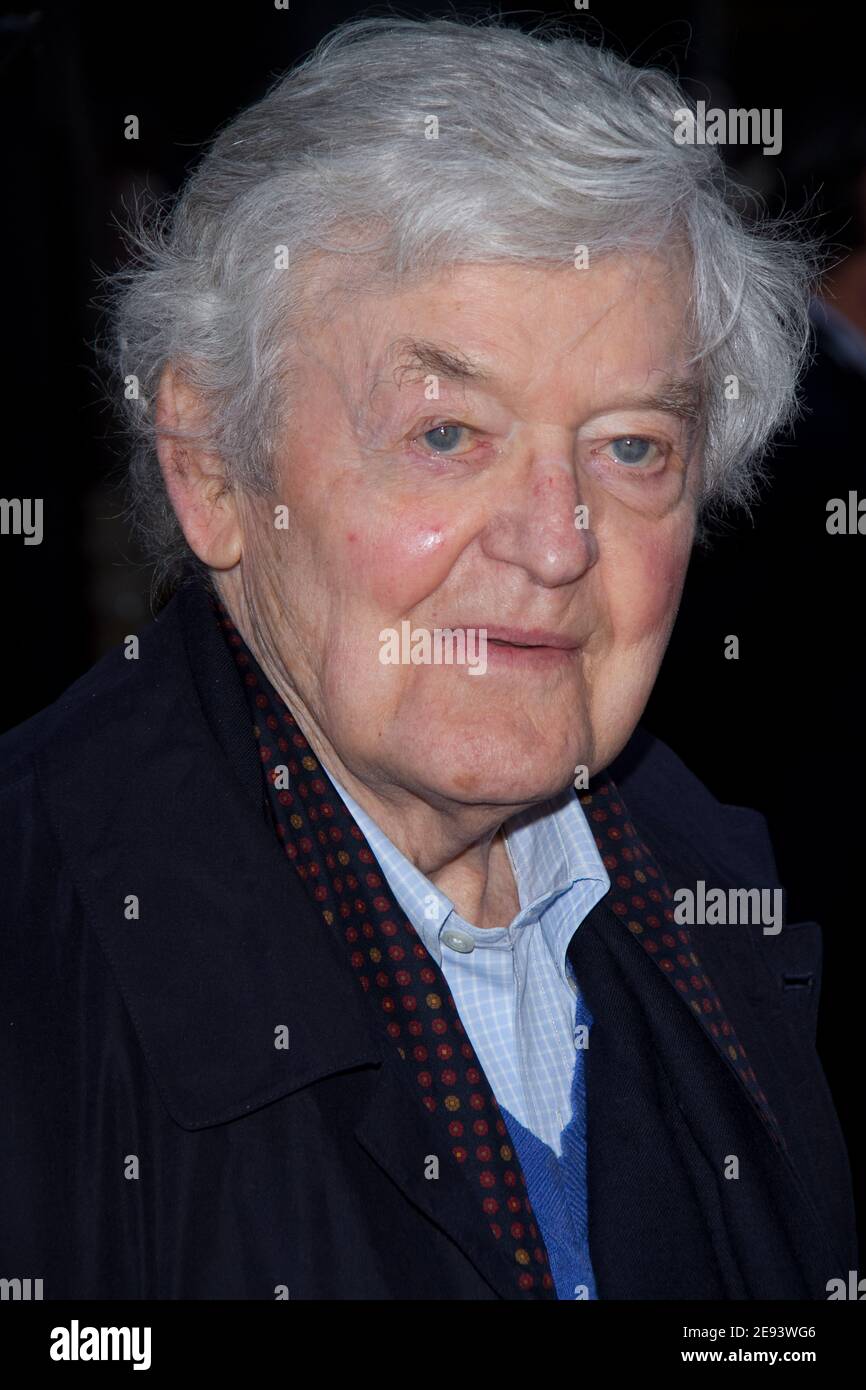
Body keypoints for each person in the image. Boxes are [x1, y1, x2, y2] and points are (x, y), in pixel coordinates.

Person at [0, 15, 856, 1300]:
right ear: (208, 468)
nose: (556, 543)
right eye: (447, 433)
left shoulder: (727, 916)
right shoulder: (37, 974)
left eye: (630, 447)